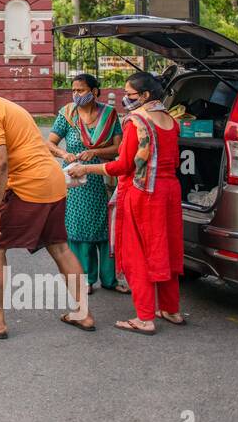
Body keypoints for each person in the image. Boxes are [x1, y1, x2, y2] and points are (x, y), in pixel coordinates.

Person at [0, 77, 93, 339]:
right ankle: (83, 314)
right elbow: (9, 160)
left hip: (29, 187)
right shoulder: (1, 104)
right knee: (59, 247)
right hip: (53, 182)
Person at [70, 72, 184, 334]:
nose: (125, 99)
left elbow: (122, 165)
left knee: (138, 254)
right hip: (169, 191)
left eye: (130, 94)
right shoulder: (170, 120)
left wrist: (87, 169)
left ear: (144, 96)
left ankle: (144, 317)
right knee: (165, 249)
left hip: (142, 192)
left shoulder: (136, 122)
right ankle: (170, 309)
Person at [47, 73, 123, 293]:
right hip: (76, 181)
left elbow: (119, 148)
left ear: (94, 91)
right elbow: (50, 143)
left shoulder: (109, 114)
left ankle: (110, 279)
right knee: (79, 228)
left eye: (80, 90)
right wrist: (64, 154)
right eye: (74, 91)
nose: (76, 94)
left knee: (107, 226)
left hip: (104, 178)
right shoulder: (68, 113)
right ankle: (85, 279)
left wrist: (96, 152)